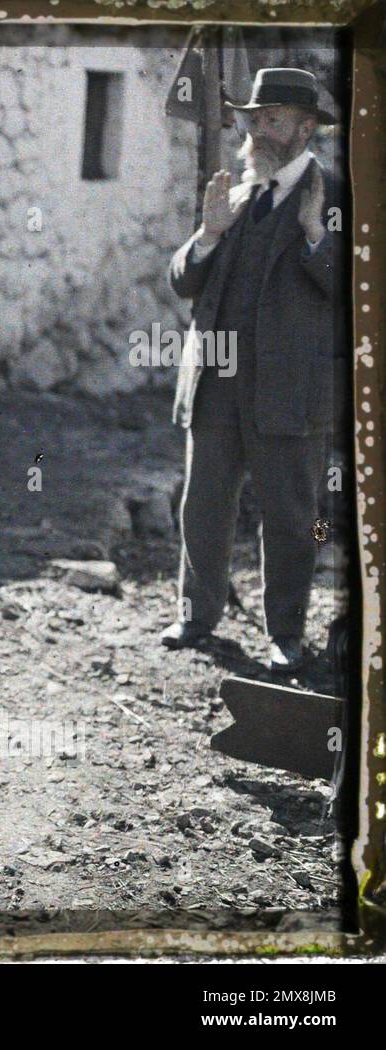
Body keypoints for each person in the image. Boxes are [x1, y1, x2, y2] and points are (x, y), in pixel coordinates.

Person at [161, 68, 346, 673]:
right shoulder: (238, 196)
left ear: (305, 128)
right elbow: (183, 280)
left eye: (272, 120)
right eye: (253, 119)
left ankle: (286, 633)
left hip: (292, 393)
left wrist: (317, 232)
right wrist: (209, 236)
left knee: (294, 516)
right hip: (217, 381)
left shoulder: (338, 196)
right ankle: (196, 614)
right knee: (202, 506)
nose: (257, 131)